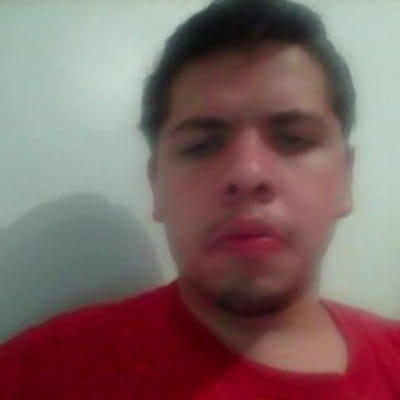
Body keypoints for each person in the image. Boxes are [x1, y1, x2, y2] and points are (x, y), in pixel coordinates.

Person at [1, 0, 399, 399]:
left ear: (346, 178)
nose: (248, 174)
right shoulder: (40, 375)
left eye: (293, 140)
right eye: (202, 145)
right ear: (156, 184)